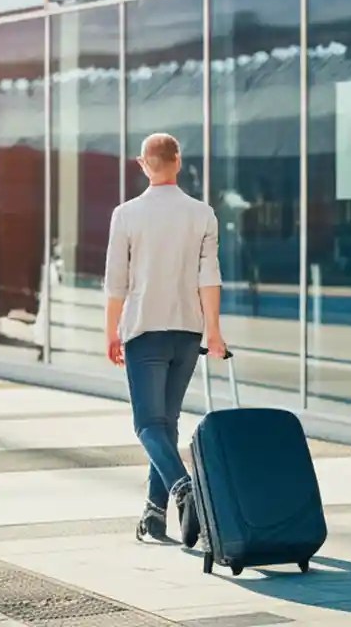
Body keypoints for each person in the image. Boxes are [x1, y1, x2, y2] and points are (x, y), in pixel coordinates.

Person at [104, 133, 228, 542]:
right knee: (167, 424)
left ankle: (184, 489)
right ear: (177, 162)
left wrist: (111, 331)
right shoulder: (202, 214)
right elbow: (209, 277)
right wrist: (214, 332)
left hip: (145, 330)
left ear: (144, 164)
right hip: (187, 332)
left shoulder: (126, 214)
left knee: (147, 425)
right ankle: (154, 516)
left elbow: (116, 282)